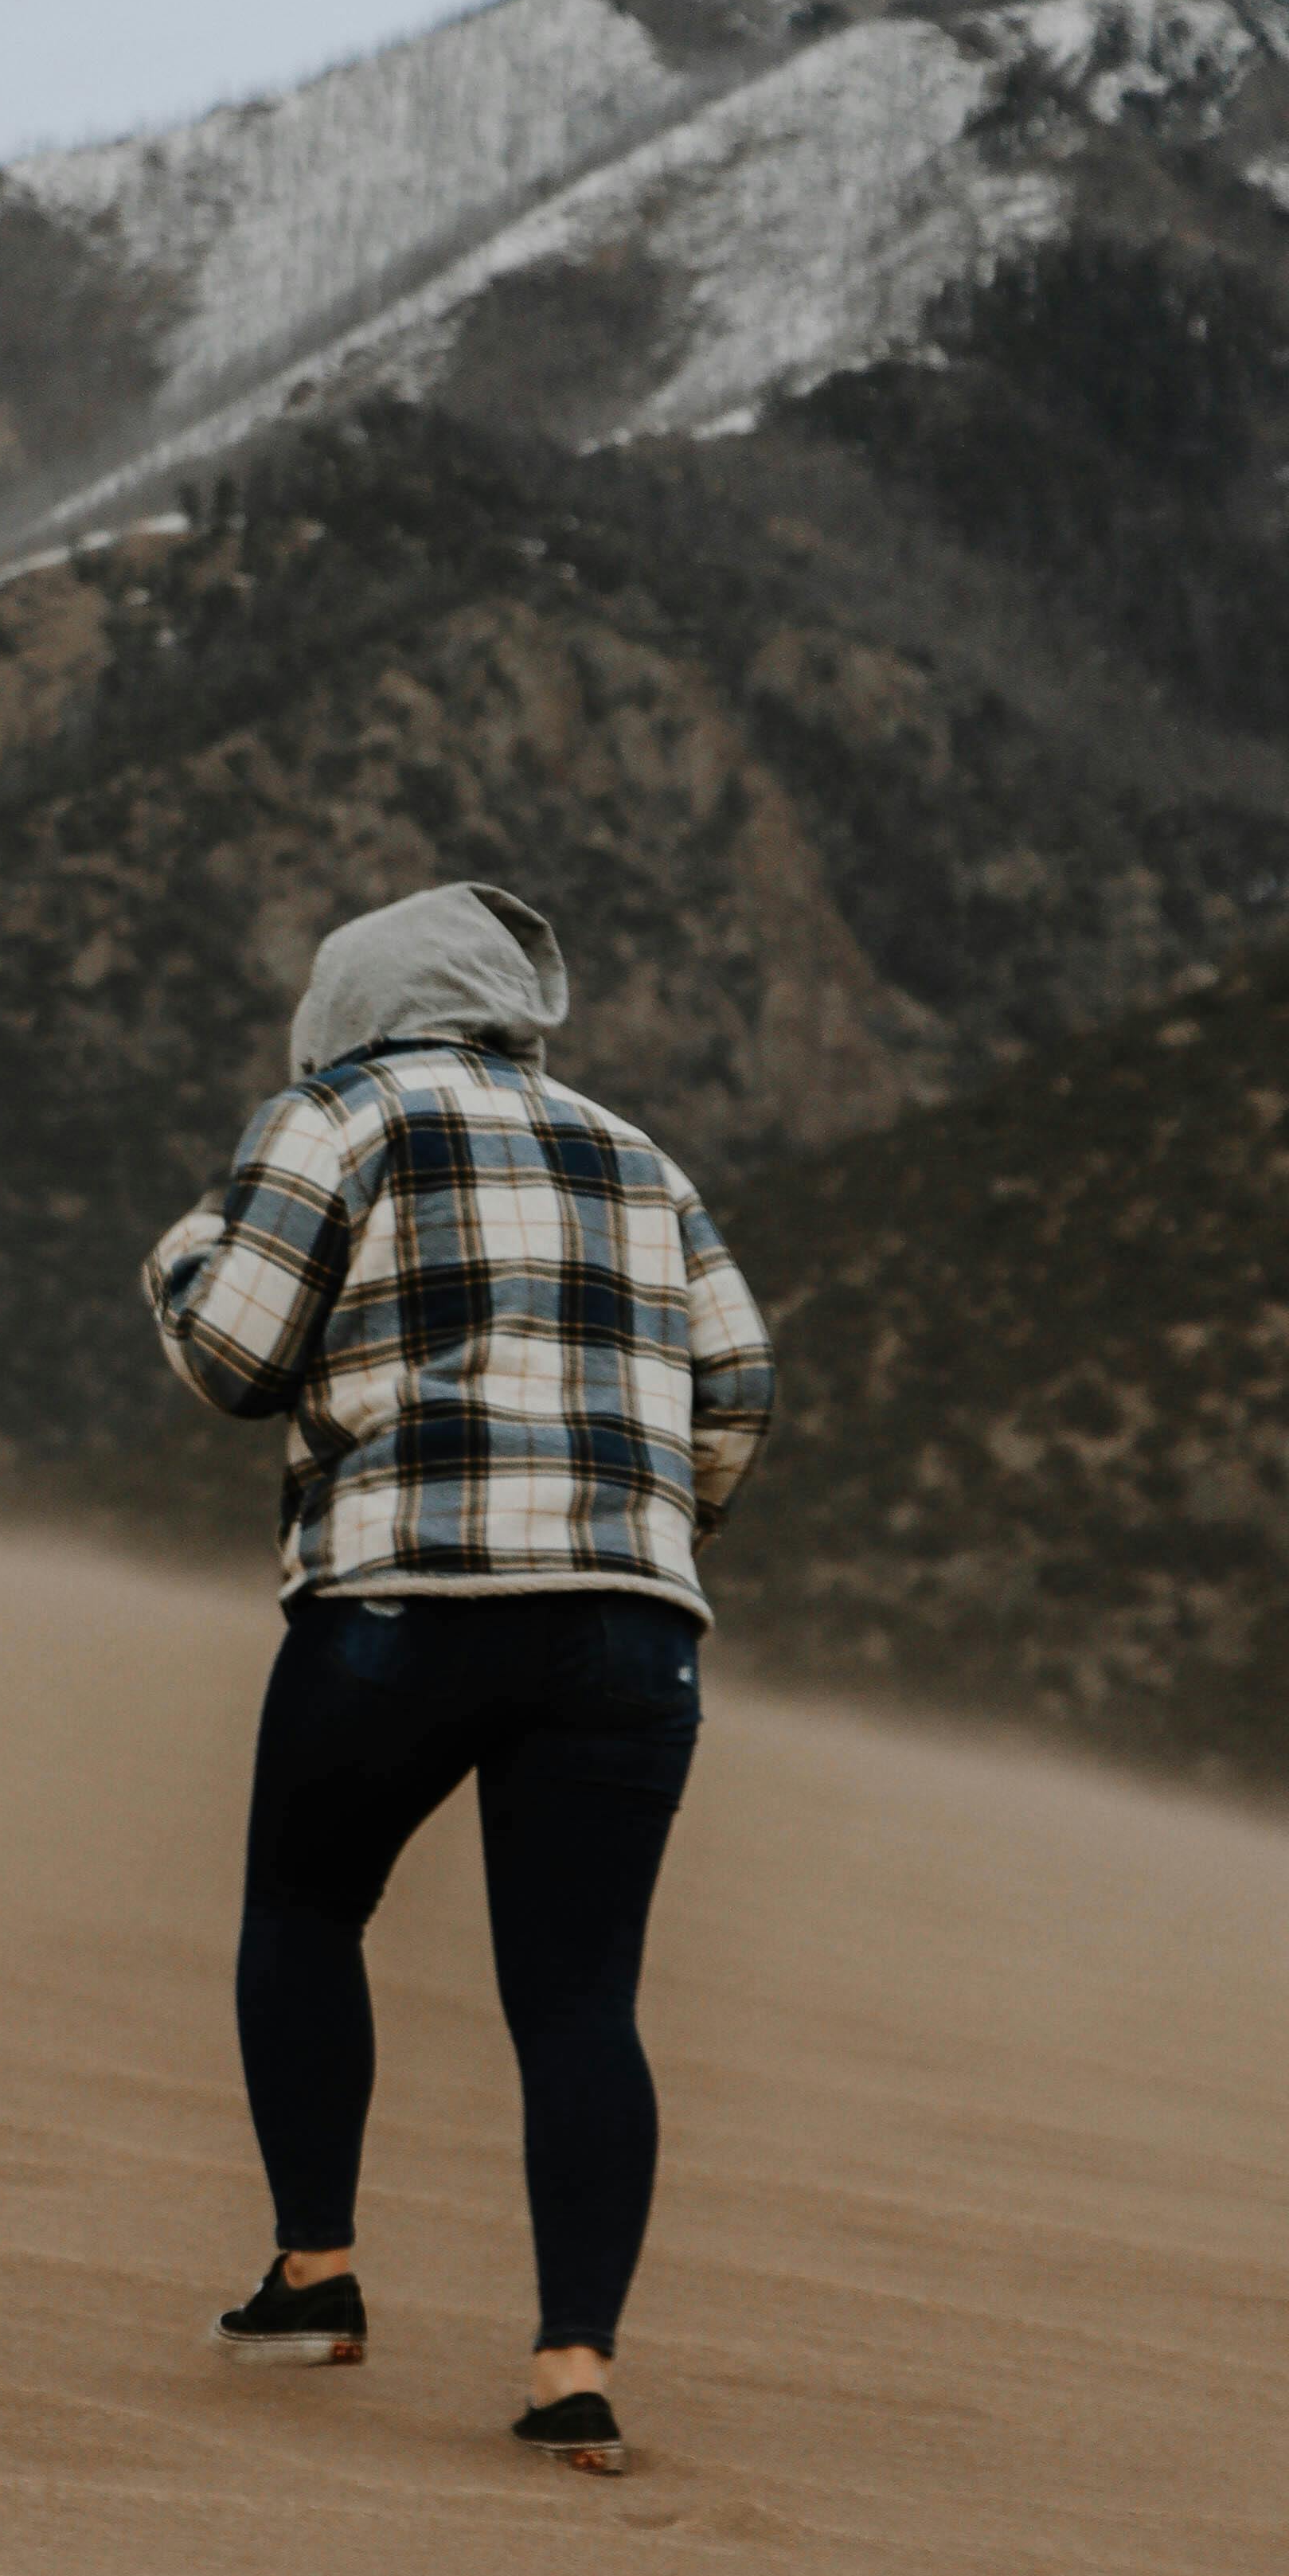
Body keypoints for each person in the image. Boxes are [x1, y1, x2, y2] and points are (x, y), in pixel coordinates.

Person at [143, 881, 774, 2474]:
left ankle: (315, 2274)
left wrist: (183, 1259)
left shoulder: (331, 1116)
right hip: (630, 1625)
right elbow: (741, 1377)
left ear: (350, 1003)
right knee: (577, 1999)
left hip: (401, 1601)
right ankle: (573, 2370)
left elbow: (233, 1360)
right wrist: (645, 1520)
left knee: (303, 1909)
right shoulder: (641, 1156)